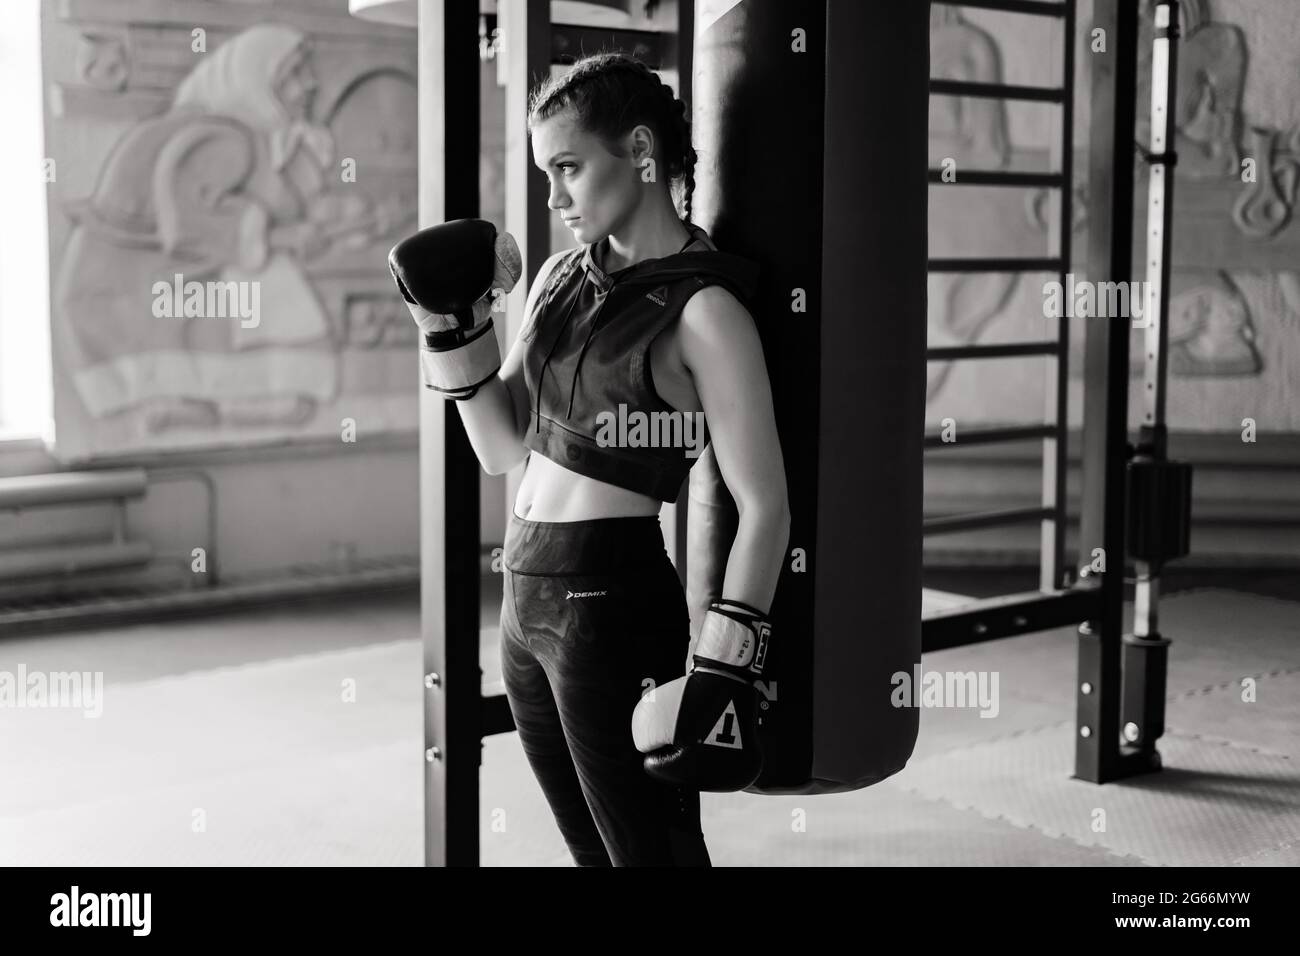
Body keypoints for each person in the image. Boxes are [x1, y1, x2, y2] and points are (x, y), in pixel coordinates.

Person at [391, 52, 789, 866]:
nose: (553, 198)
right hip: (522, 604)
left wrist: (727, 666)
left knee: (652, 853)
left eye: (568, 168)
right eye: (546, 174)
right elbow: (502, 448)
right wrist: (452, 332)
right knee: (590, 854)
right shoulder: (555, 280)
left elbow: (766, 506)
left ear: (640, 151)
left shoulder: (705, 310)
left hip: (610, 602)